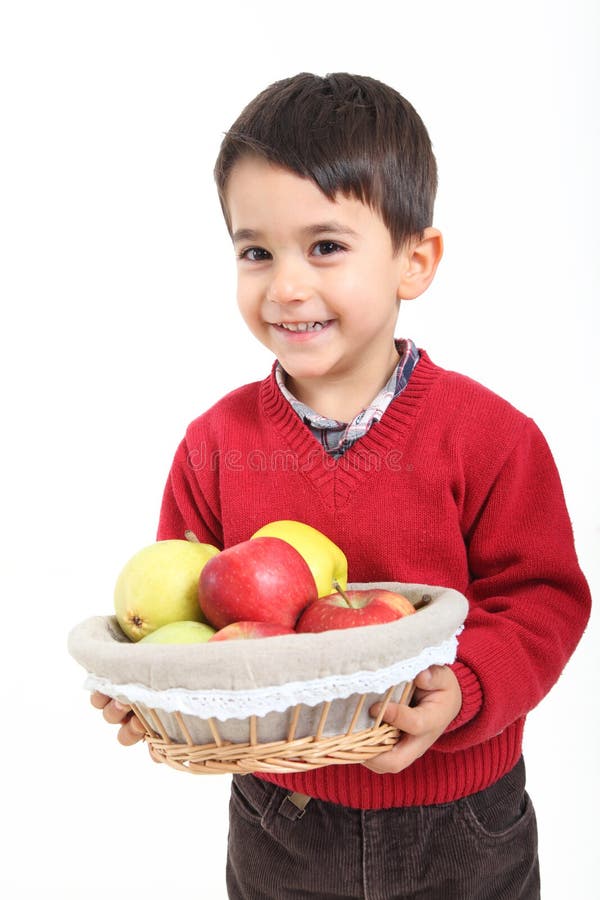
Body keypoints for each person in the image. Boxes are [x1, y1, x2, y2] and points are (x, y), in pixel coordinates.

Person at [92, 72, 591, 898]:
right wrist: (159, 686)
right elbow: (185, 610)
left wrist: (464, 689)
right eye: (256, 251)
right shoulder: (213, 445)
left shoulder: (493, 438)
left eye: (325, 247)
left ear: (413, 260)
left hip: (462, 811)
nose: (285, 286)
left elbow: (543, 599)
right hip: (284, 816)